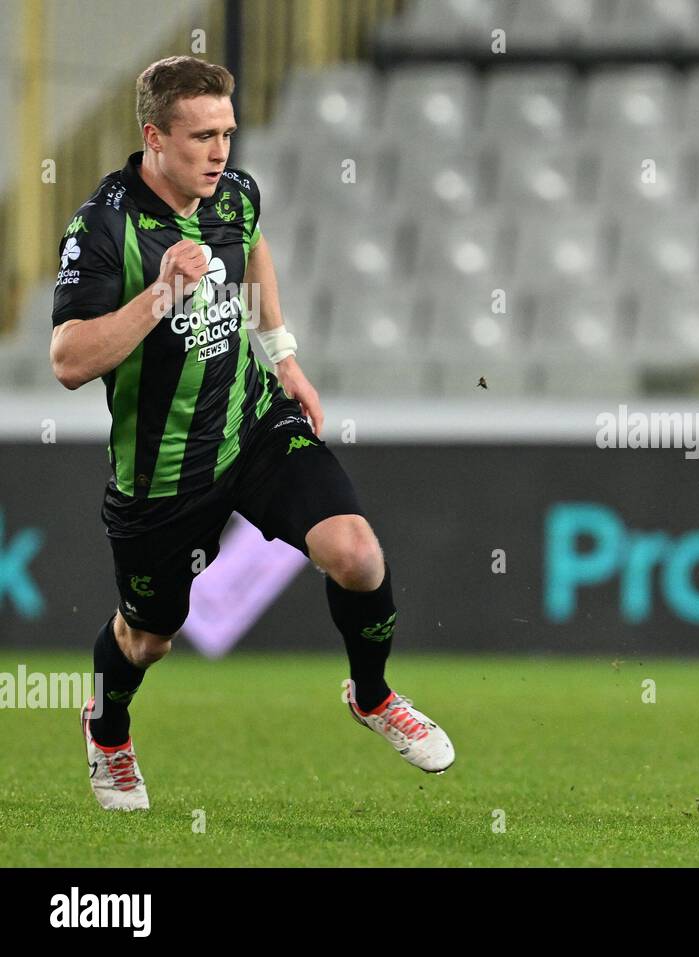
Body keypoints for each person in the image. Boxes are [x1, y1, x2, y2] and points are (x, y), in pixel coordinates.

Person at [50, 56, 453, 811]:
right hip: (163, 472)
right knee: (149, 636)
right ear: (153, 138)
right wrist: (160, 294)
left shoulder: (232, 195)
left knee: (356, 553)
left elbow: (253, 248)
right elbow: (69, 361)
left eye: (227, 134)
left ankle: (372, 694)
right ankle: (107, 727)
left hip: (254, 424)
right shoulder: (103, 225)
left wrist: (283, 353)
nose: (220, 152)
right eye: (202, 136)